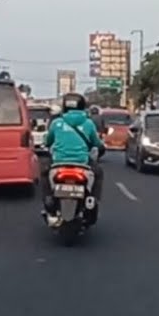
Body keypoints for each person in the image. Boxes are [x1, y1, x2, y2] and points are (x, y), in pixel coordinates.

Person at [40, 92, 105, 224]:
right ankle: (92, 200)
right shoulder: (88, 123)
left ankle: (48, 199)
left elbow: (48, 141)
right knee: (98, 173)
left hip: (59, 162)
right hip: (82, 163)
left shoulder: (57, 123)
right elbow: (97, 143)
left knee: (43, 173)